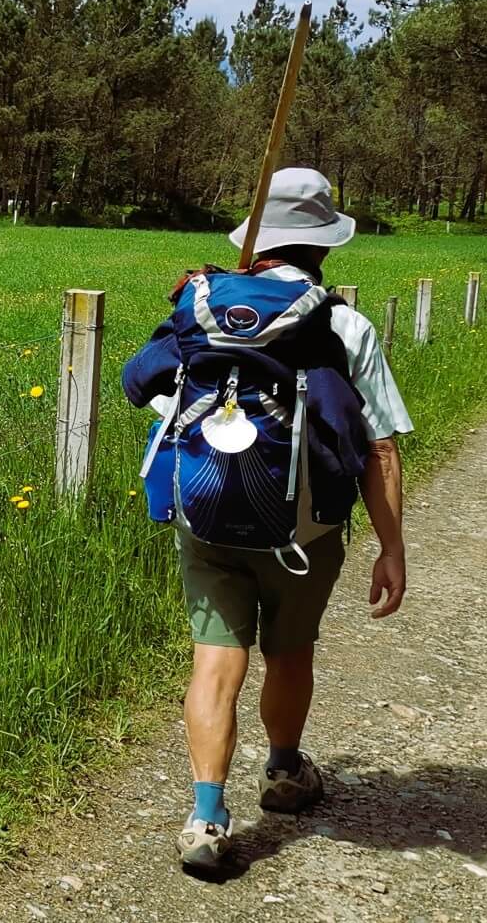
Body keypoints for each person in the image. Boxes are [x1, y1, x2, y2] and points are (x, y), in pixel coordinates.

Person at [145, 168, 412, 875]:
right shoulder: (342, 323)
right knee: (288, 652)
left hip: (204, 516)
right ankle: (286, 775)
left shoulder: (201, 305)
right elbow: (379, 446)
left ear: (254, 243)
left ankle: (205, 817)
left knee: (215, 659)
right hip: (305, 532)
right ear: (324, 246)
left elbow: (157, 397)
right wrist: (392, 548)